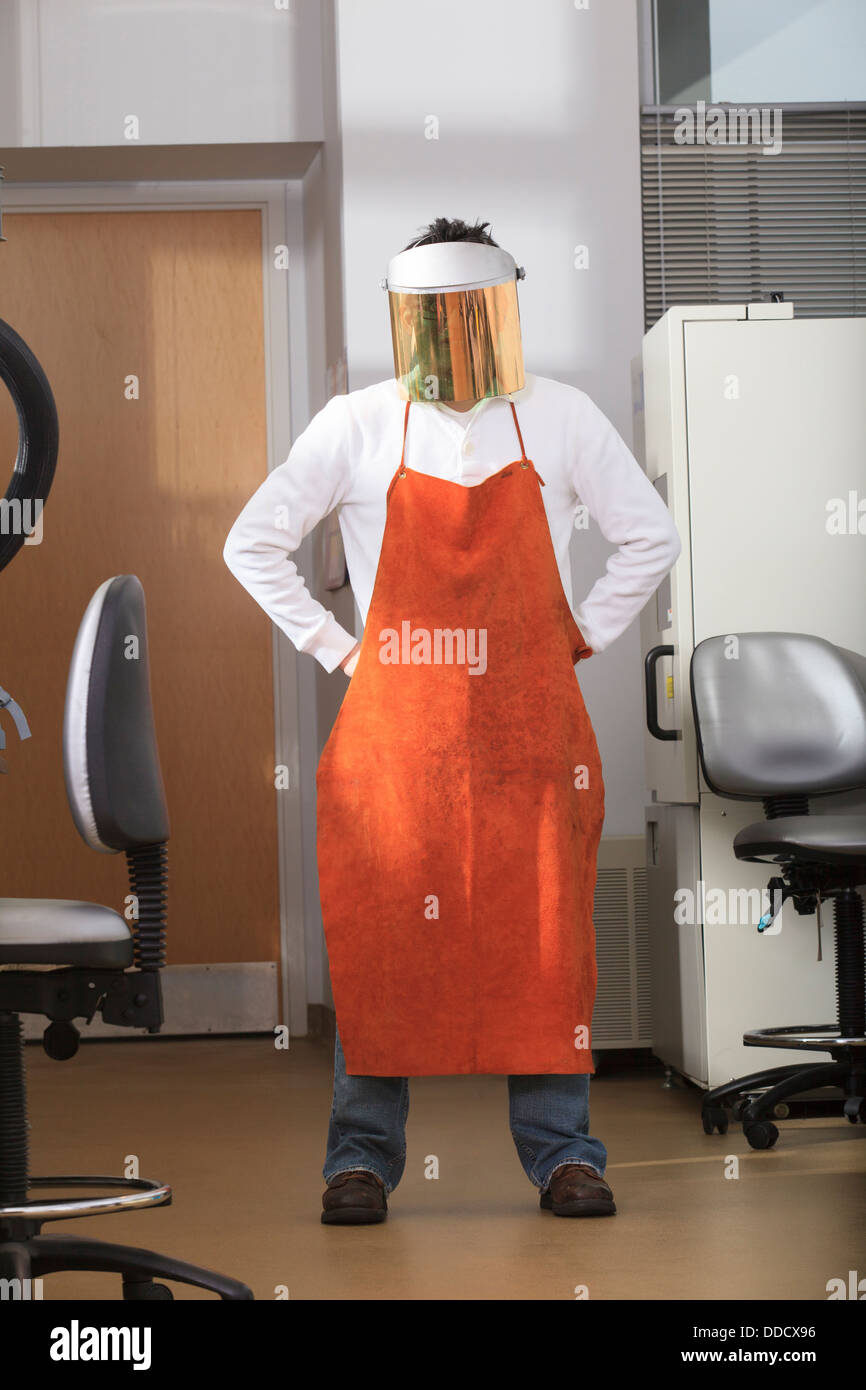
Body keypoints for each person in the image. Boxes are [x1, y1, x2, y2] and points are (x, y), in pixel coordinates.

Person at [223, 216, 682, 1226]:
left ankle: (564, 1155)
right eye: (437, 317)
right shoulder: (354, 424)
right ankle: (360, 1161)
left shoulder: (558, 416)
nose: (457, 337)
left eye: (474, 313)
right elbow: (250, 542)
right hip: (397, 742)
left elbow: (648, 535)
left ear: (502, 310)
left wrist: (571, 634)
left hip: (529, 743)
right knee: (383, 936)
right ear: (411, 321)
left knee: (544, 938)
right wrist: (340, 649)